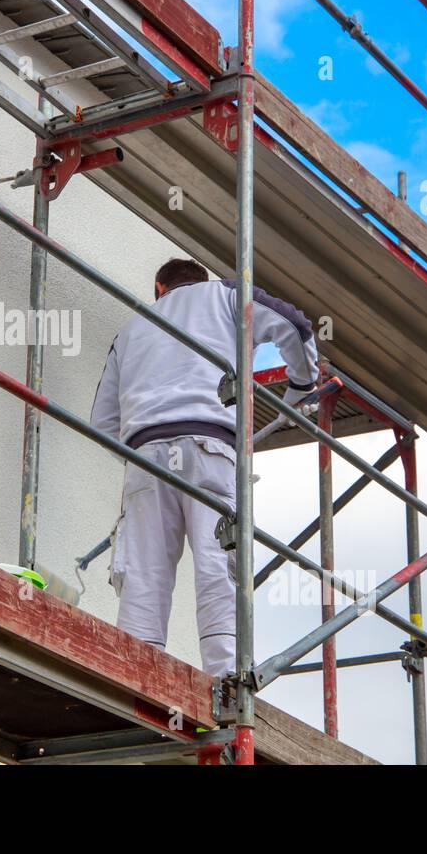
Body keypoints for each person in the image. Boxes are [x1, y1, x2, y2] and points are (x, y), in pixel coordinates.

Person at [89, 258, 320, 676]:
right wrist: (300, 390)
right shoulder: (228, 295)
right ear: (201, 281)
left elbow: (102, 423)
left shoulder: (131, 328)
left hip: (146, 458)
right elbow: (296, 327)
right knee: (218, 564)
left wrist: (141, 454)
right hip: (209, 446)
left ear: (159, 288)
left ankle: (136, 681)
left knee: (144, 575)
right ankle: (228, 683)